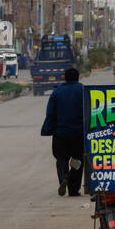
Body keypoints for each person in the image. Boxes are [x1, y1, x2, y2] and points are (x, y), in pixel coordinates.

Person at [41, 67, 86, 196]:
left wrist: (49, 129)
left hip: (60, 134)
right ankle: (73, 189)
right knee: (77, 160)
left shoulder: (57, 92)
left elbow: (50, 113)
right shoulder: (83, 90)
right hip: (79, 134)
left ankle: (64, 177)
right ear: (78, 77)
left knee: (61, 159)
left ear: (65, 78)